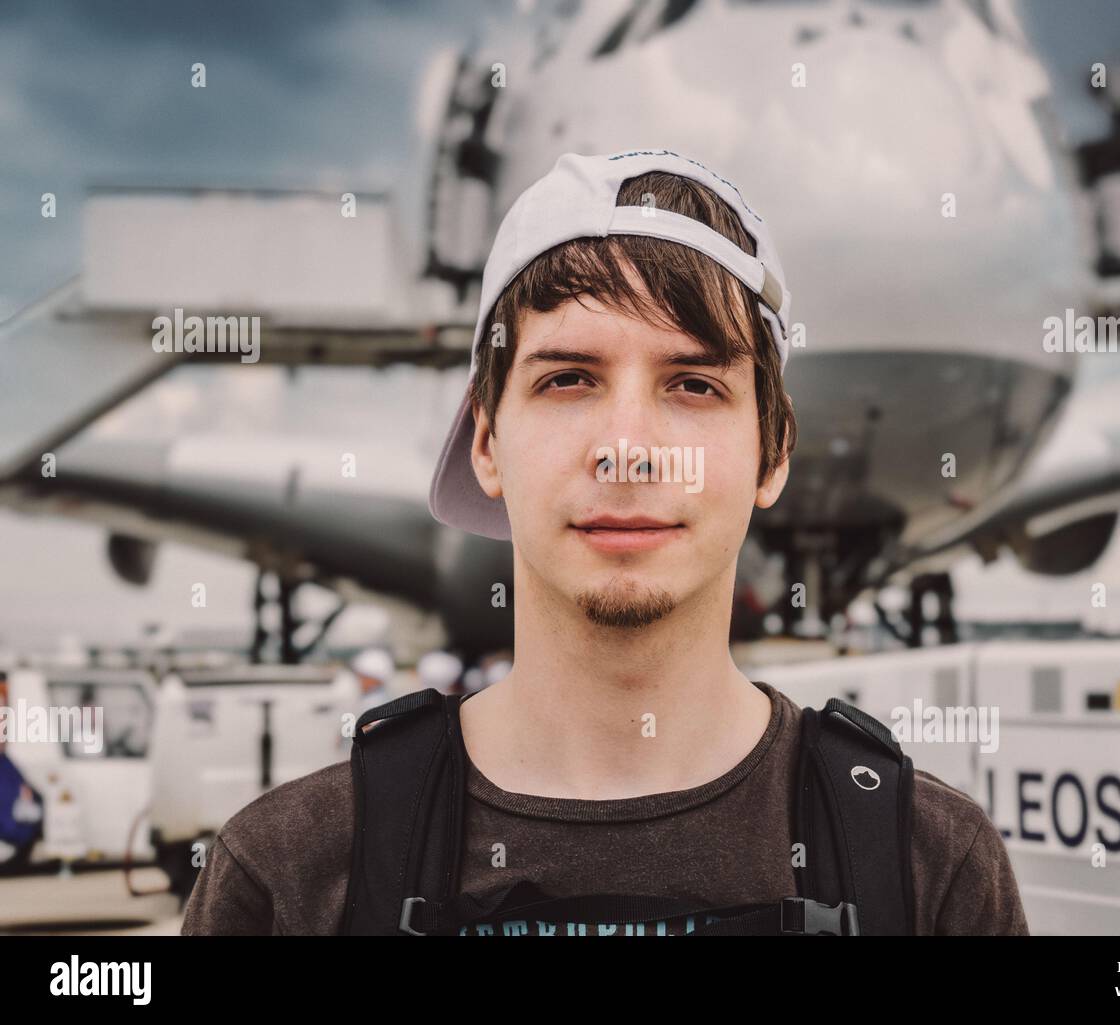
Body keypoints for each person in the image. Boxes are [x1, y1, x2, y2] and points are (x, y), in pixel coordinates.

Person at [181, 149, 1028, 936]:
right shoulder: (284, 877)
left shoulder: (935, 867)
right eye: (568, 379)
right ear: (486, 443)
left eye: (693, 383)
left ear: (772, 452)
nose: (628, 448)